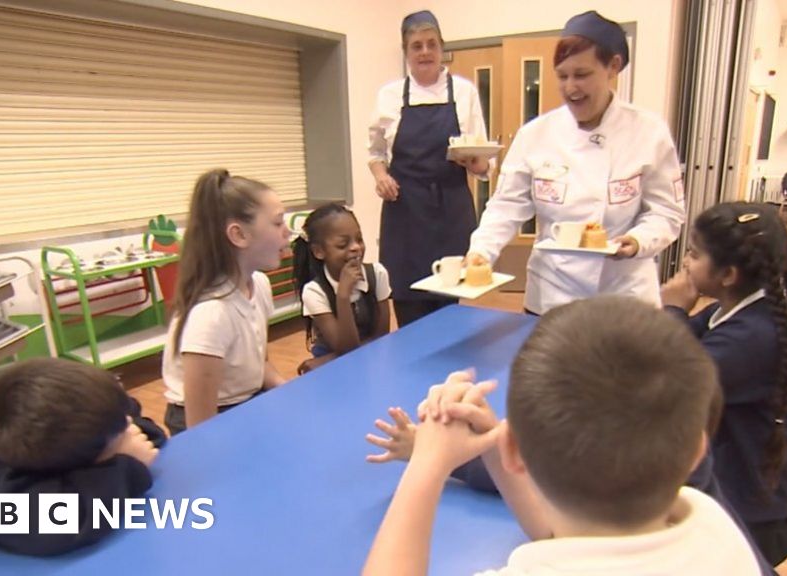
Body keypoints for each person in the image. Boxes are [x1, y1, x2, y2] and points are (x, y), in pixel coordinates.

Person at [363, 297, 761, 575]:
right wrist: (493, 446)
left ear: (514, 449)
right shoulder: (708, 522)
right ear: (697, 452)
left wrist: (426, 466)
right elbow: (559, 536)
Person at [466, 11, 685, 314]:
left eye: (581, 75)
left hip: (624, 296)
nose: (570, 87)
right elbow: (505, 208)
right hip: (552, 296)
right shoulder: (535, 135)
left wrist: (637, 240)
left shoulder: (648, 132)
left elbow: (666, 212)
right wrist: (481, 251)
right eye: (562, 76)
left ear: (613, 67)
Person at [660, 201, 787, 565]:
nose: (686, 264)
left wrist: (674, 309)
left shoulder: (751, 337)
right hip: (750, 479)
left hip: (755, 515)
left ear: (727, 275)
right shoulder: (729, 309)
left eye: (694, 254)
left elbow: (675, 378)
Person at [0, 358, 166, 556]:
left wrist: (120, 447)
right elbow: (53, 528)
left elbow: (143, 428)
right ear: (74, 463)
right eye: (119, 435)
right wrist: (127, 467)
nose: (130, 427)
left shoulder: (73, 409)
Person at [369, 9, 492, 327]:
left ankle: (450, 368)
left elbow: (481, 161)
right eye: (416, 45)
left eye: (431, 44)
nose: (425, 52)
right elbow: (376, 153)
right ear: (406, 52)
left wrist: (475, 162)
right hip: (405, 212)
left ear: (441, 48)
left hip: (450, 208)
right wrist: (381, 177)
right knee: (407, 298)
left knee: (448, 301)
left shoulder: (464, 92)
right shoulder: (389, 95)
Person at [161, 168, 291, 435]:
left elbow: (258, 363)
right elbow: (200, 428)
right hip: (205, 419)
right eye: (278, 223)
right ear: (239, 235)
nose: (287, 232)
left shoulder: (259, 285)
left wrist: (286, 389)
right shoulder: (211, 314)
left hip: (245, 401)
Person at [291, 204, 392, 374]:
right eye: (343, 244)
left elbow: (382, 337)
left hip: (366, 355)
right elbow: (347, 349)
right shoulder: (314, 291)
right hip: (338, 363)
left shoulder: (377, 273)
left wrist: (327, 360)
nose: (355, 247)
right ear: (319, 251)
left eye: (359, 239)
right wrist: (343, 296)